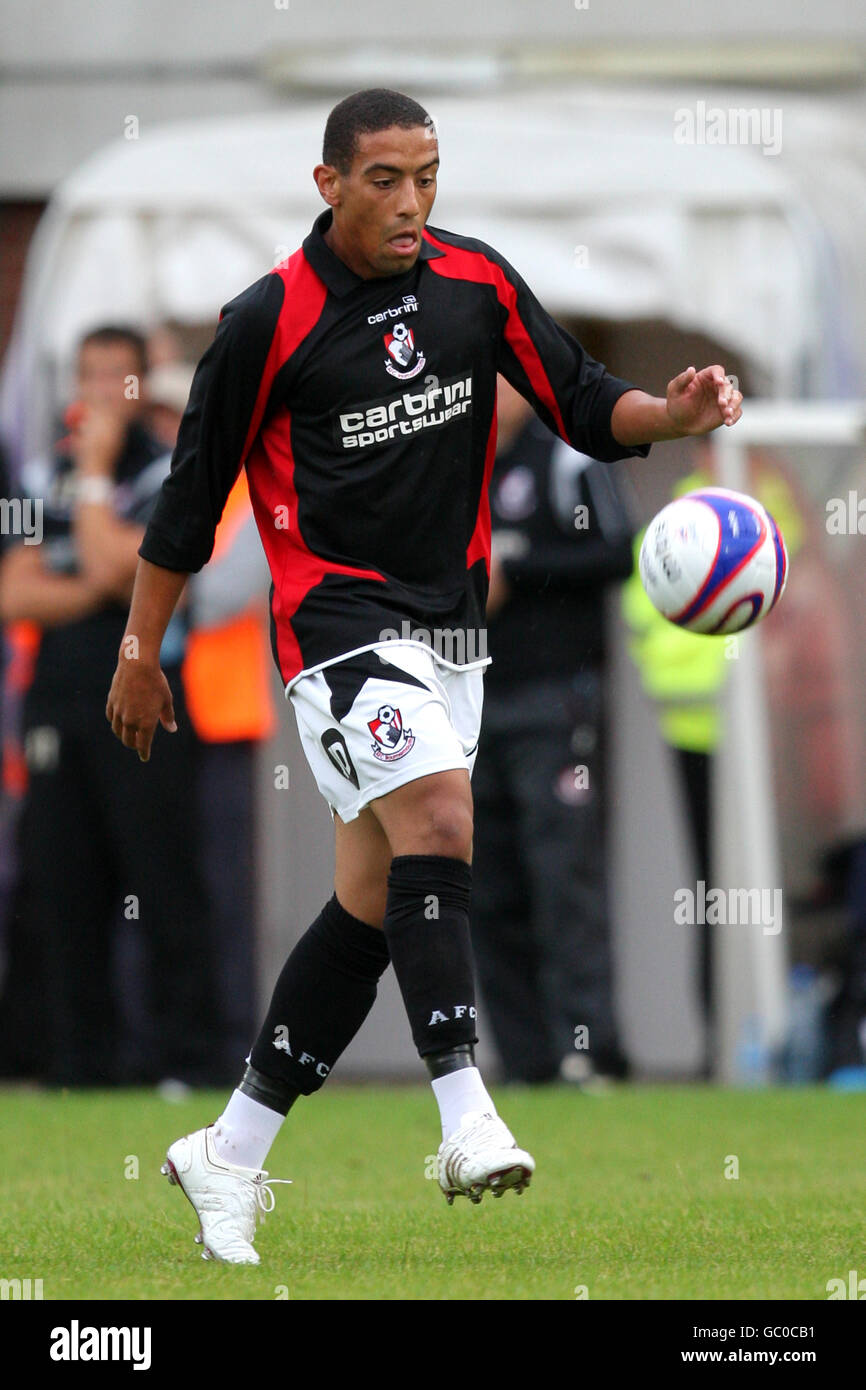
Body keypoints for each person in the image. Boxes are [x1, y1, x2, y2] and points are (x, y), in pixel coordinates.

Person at [105, 88, 743, 1265]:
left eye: (428, 175)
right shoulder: (266, 322)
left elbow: (584, 401)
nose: (411, 201)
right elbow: (188, 508)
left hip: (451, 634)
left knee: (368, 904)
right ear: (329, 184)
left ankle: (228, 1151)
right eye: (386, 178)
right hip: (336, 629)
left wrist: (672, 408)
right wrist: (141, 651)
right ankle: (464, 1110)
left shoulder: (473, 283)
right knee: (443, 823)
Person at [0, 325, 217, 1086]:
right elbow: (13, 590)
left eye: (117, 377)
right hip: (58, 700)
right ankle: (76, 1064)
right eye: (88, 374)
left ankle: (186, 1061)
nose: (100, 391)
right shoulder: (35, 474)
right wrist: (101, 579)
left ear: (142, 384)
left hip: (147, 695)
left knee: (162, 877)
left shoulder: (168, 471)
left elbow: (116, 565)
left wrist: (94, 485)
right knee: (61, 881)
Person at [471, 376, 633, 1088]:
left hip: (556, 700)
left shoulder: (568, 456)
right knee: (487, 884)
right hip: (472, 702)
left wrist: (517, 568)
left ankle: (590, 1049)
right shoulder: (454, 464)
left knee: (563, 873)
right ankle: (526, 1057)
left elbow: (619, 553)